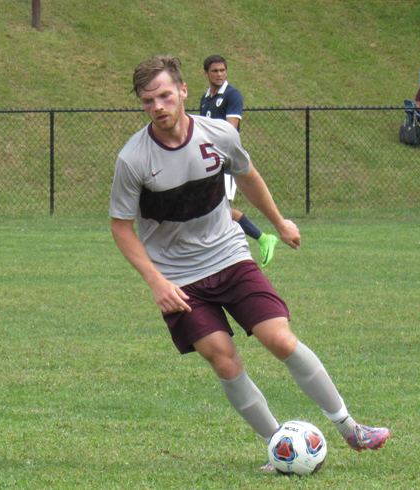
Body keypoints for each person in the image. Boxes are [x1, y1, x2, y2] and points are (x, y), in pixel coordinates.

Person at [110, 56, 389, 466]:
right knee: (222, 356)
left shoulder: (219, 135)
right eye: (148, 101)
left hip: (229, 255)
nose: (158, 107)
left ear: (184, 91)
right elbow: (121, 227)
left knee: (280, 339)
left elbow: (247, 175)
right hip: (179, 278)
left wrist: (279, 222)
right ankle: (279, 447)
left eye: (165, 96)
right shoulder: (133, 159)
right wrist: (156, 282)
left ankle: (350, 427)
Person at [199, 55, 279, 268]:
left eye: (222, 70)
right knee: (213, 210)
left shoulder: (232, 95)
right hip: (209, 161)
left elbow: (230, 130)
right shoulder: (205, 98)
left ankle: (262, 239)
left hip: (226, 160)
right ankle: (252, 242)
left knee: (220, 210)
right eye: (215, 71)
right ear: (206, 73)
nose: (219, 74)